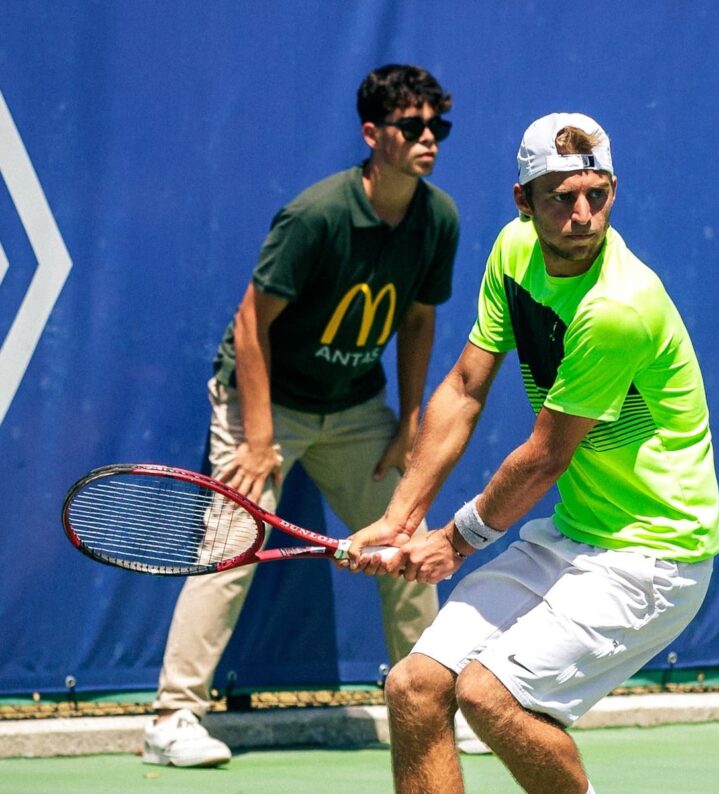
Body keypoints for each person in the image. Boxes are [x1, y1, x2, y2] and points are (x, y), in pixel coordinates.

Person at [342, 112, 719, 794]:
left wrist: (454, 542)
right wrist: (401, 517)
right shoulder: (514, 251)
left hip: (654, 556)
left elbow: (546, 456)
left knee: (492, 696)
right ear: (524, 201)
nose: (582, 213)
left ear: (612, 189)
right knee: (416, 686)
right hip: (577, 536)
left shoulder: (619, 308)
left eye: (596, 194)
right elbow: (462, 388)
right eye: (560, 197)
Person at [142, 64, 459, 768]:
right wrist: (258, 440)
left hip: (353, 410)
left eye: (438, 126)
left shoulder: (438, 219)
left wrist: (409, 420)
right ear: (373, 134)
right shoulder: (317, 215)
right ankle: (171, 718)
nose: (429, 138)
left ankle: (430, 703)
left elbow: (417, 321)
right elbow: (251, 325)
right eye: (413, 126)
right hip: (264, 402)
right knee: (228, 549)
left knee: (408, 547)